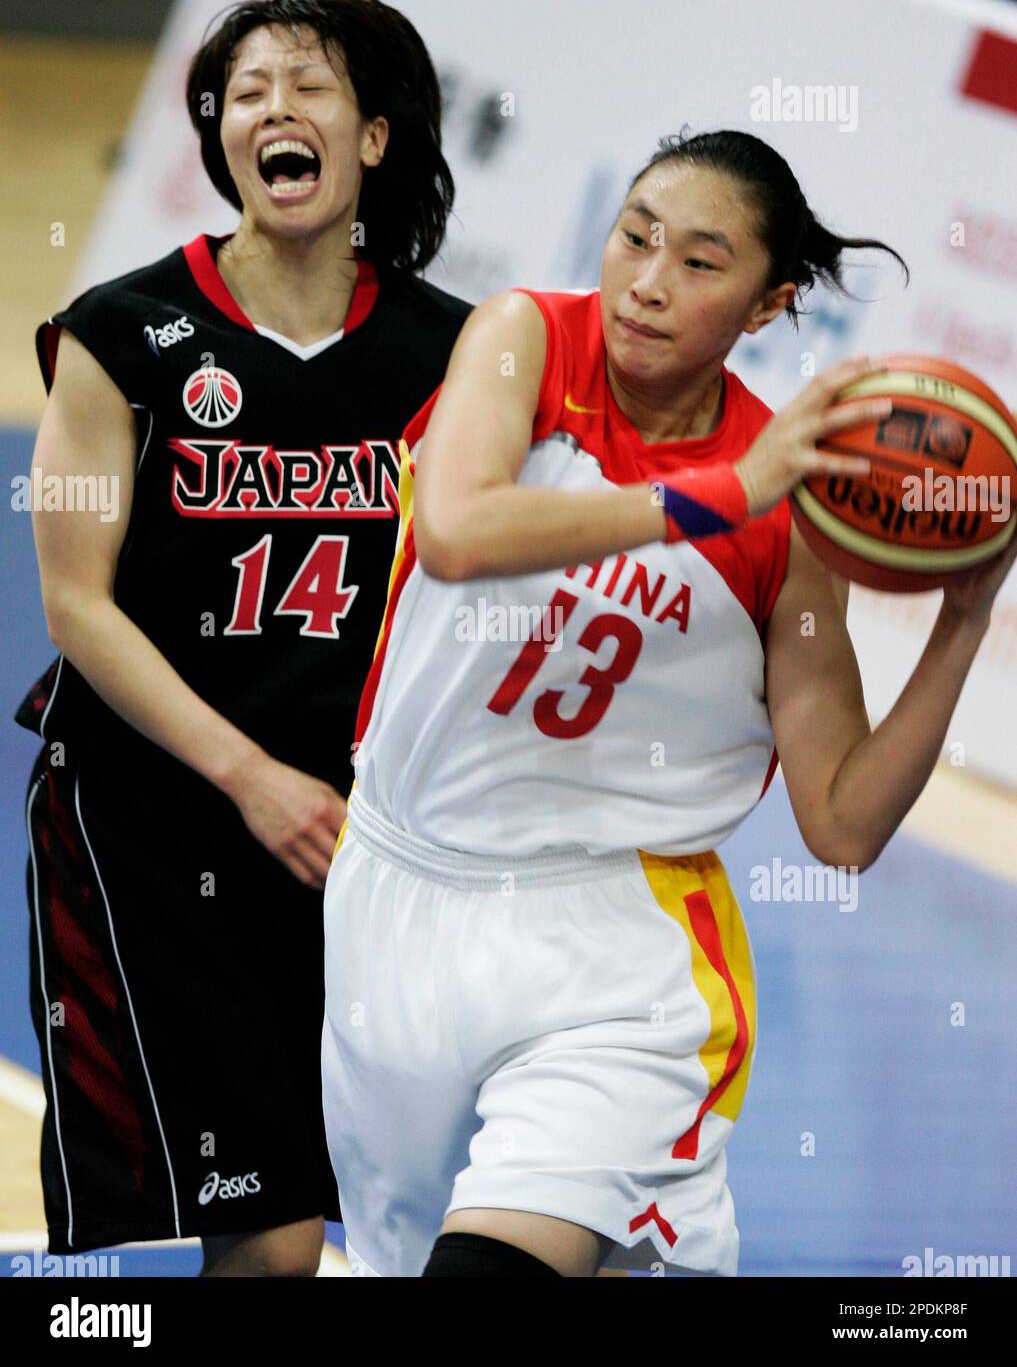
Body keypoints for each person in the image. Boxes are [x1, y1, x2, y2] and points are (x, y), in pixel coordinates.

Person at [320, 128, 1016, 1278]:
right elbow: (455, 531)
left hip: (613, 952)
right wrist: (715, 495)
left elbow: (841, 824)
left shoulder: (791, 516)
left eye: (700, 262)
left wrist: (963, 621)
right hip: (394, 894)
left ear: (768, 304)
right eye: (635, 236)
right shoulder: (526, 342)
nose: (647, 282)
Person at [16, 0, 471, 1276]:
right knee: (265, 1234)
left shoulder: (456, 352)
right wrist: (248, 776)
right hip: (157, 816)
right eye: (247, 92)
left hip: (358, 828)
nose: (274, 111)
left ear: (375, 137)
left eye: (308, 87)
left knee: (396, 1212)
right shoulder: (120, 334)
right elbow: (73, 605)